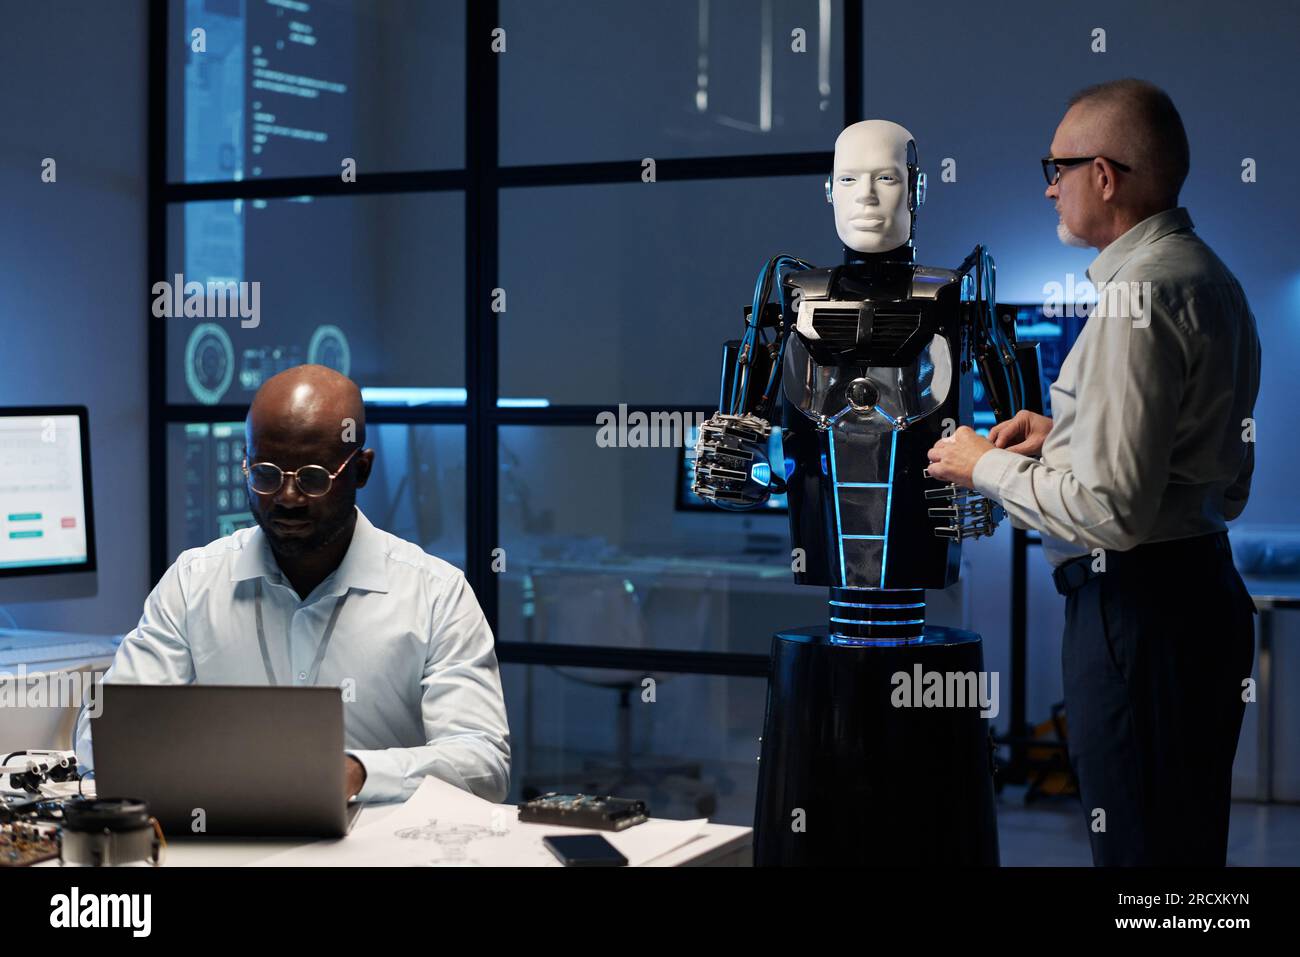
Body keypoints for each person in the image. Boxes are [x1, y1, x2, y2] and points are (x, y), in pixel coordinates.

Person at [926, 79, 1260, 866]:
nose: (1049, 185)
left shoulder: (1132, 299)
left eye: (1058, 166)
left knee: (1142, 859)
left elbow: (1112, 511)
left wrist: (986, 466)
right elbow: (1211, 469)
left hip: (1136, 617)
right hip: (1201, 597)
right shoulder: (1210, 279)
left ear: (1104, 177)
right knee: (1184, 859)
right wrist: (1062, 432)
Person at [75, 364, 510, 803]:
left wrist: (360, 772)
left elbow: (483, 763)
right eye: (265, 475)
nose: (287, 498)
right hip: (230, 847)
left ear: (361, 470)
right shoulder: (194, 583)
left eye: (313, 478)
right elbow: (102, 739)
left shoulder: (435, 594)